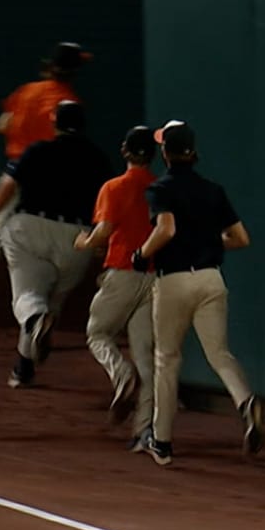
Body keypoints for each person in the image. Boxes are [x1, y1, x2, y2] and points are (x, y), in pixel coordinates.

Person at [134, 120, 264, 466]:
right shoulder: (213, 190)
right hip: (210, 278)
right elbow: (240, 238)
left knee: (167, 360)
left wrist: (141, 254)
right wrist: (208, 241)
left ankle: (161, 442)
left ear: (165, 152)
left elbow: (166, 228)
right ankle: (245, 400)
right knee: (219, 353)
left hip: (174, 280)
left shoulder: (160, 189)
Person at [0, 99, 113, 388]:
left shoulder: (38, 150)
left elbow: (7, 186)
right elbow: (109, 207)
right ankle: (24, 368)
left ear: (54, 121)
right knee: (50, 303)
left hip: (30, 227)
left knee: (29, 298)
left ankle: (34, 325)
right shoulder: (99, 159)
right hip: (78, 236)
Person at [0, 40, 92, 297]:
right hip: (47, 177)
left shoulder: (27, 92)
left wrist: (23, 126)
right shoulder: (68, 101)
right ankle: (44, 297)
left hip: (16, 170)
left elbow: (0, 124)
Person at [74, 125, 158, 444]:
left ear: (125, 151)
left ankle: (121, 375)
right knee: (145, 355)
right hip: (153, 276)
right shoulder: (159, 187)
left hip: (123, 271)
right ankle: (144, 428)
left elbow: (104, 231)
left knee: (98, 333)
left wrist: (85, 242)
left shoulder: (114, 187)